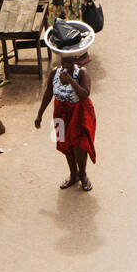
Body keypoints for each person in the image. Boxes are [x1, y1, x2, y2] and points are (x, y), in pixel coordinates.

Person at [35, 49, 96, 191]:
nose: (67, 65)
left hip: (79, 113)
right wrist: (40, 114)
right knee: (65, 143)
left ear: (75, 61)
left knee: (80, 144)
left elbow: (84, 95)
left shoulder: (81, 73)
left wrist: (71, 81)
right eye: (64, 62)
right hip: (60, 113)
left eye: (70, 62)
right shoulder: (55, 73)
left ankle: (83, 175)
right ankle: (73, 174)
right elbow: (48, 93)